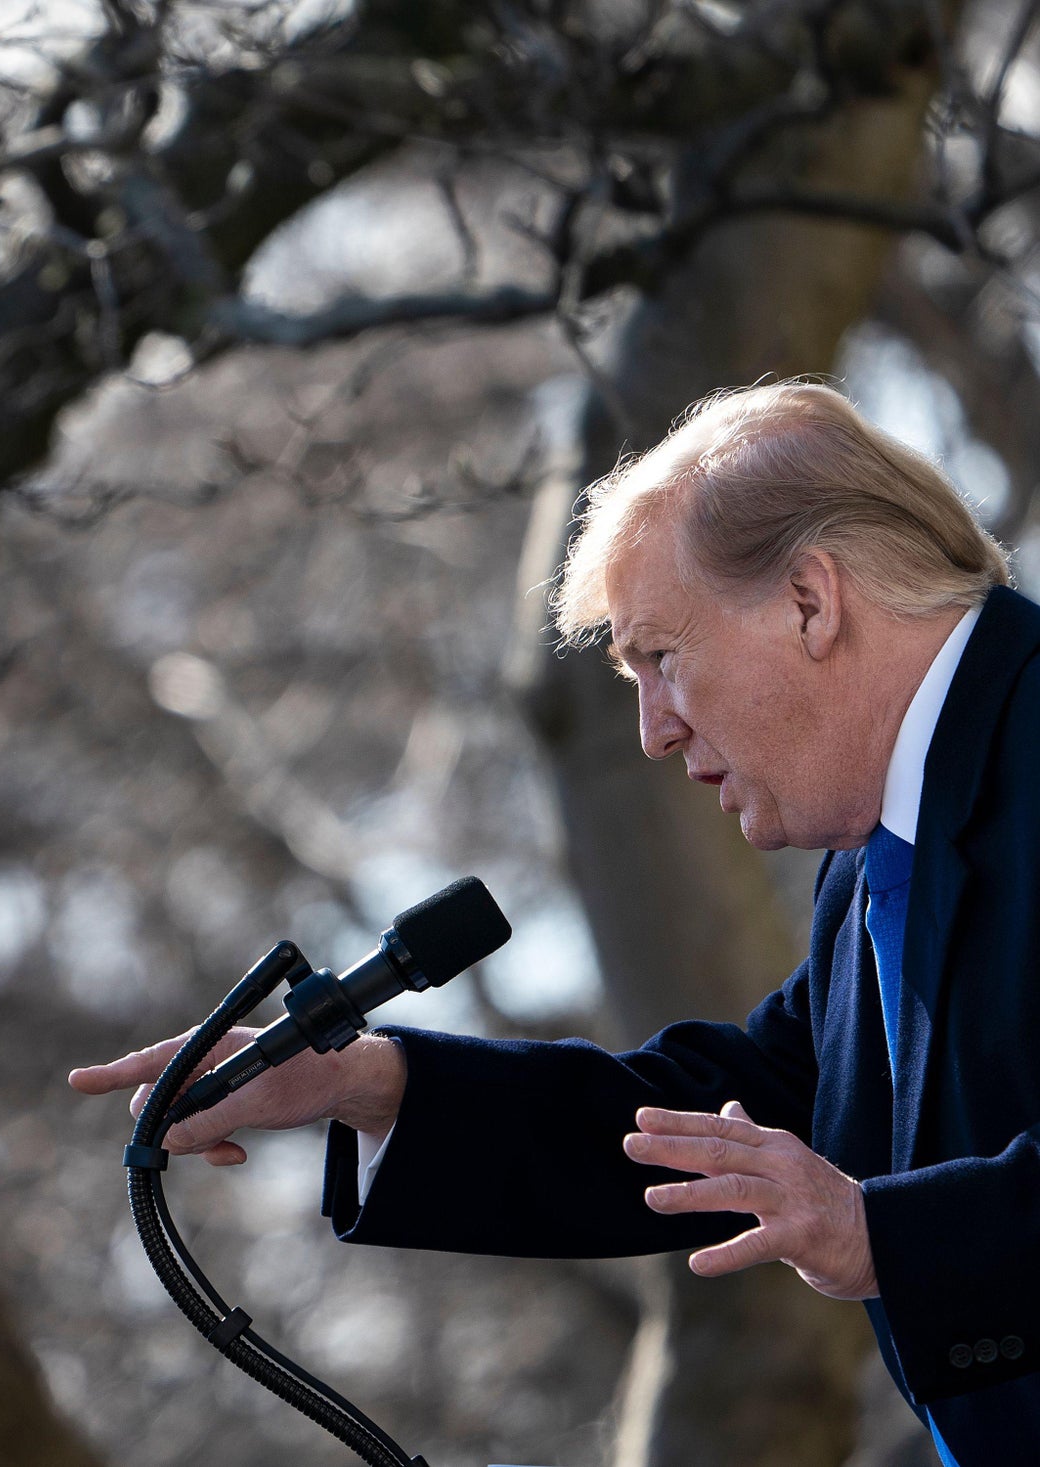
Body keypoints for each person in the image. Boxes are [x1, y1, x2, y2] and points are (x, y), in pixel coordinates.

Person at [69, 381, 1040, 1464]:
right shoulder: (874, 859)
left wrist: (887, 1237)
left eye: (663, 658)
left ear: (810, 602)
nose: (652, 733)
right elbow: (731, 1124)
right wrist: (366, 1082)